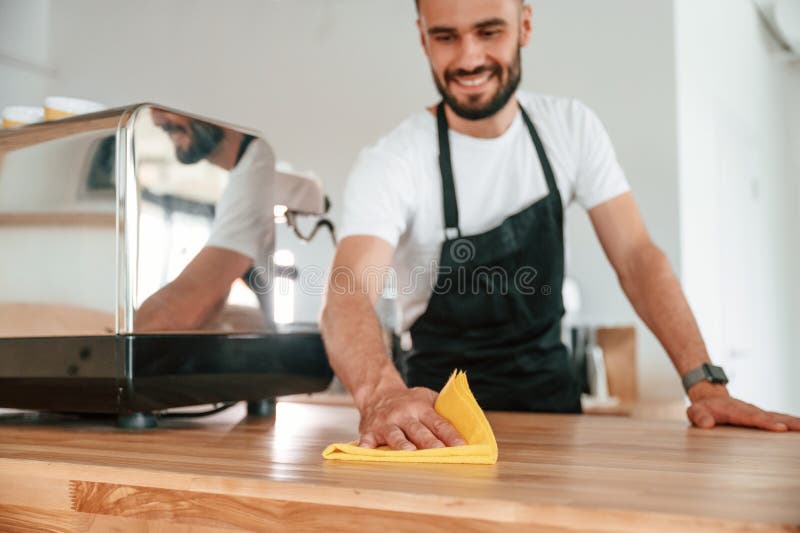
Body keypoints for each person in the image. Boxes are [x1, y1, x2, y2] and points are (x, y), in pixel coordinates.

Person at [320, 0, 800, 451]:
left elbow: (637, 257)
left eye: (489, 31)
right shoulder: (393, 161)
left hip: (553, 411)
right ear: (423, 40)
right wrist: (380, 393)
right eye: (445, 36)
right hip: (437, 426)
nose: (468, 58)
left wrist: (706, 383)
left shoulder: (569, 128)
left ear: (525, 25)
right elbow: (348, 290)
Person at [134, 109, 275, 332]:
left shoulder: (256, 168)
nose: (156, 120)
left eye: (166, 106)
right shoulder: (243, 173)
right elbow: (210, 298)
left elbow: (174, 314)